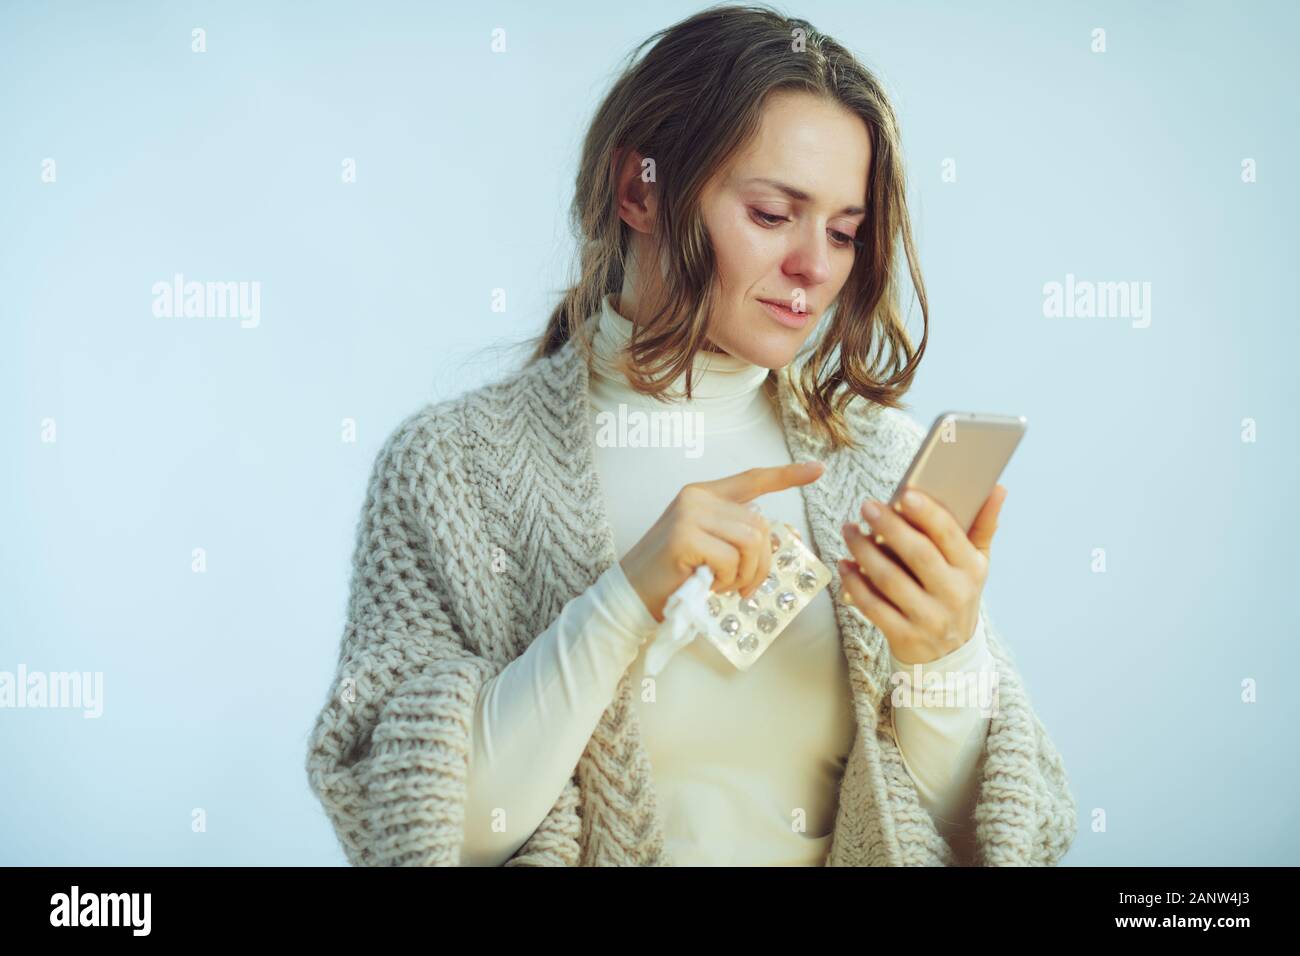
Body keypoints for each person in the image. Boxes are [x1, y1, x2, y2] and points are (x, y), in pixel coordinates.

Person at [305, 3, 1076, 867]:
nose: (815, 269)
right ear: (641, 188)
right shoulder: (451, 469)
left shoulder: (875, 462)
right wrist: (623, 600)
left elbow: (1008, 838)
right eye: (773, 215)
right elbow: (414, 825)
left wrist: (946, 663)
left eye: (845, 232)